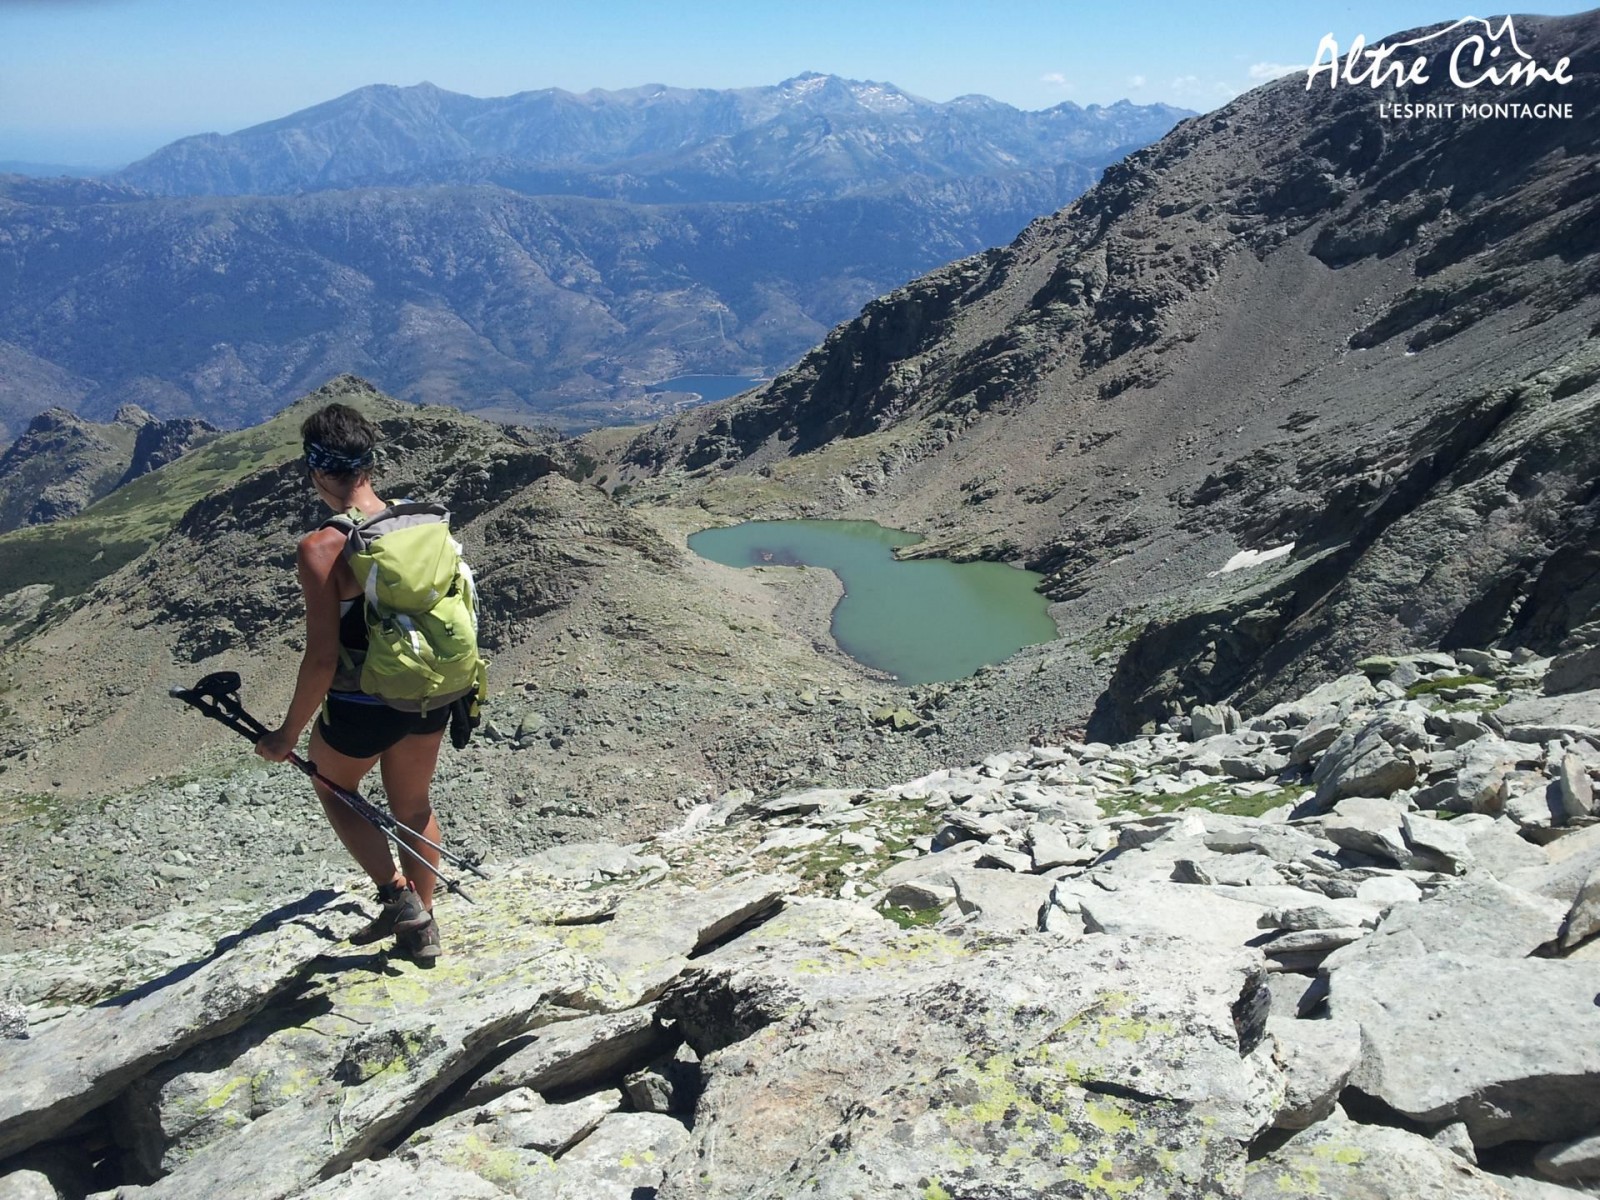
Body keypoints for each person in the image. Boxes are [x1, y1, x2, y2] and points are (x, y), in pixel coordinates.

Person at [254, 403, 448, 962]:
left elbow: (321, 658)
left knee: (333, 785)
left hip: (364, 702)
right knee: (413, 806)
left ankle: (397, 896)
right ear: (370, 463)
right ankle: (423, 929)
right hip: (432, 689)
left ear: (317, 469)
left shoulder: (321, 548)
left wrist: (287, 734)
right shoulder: (420, 522)